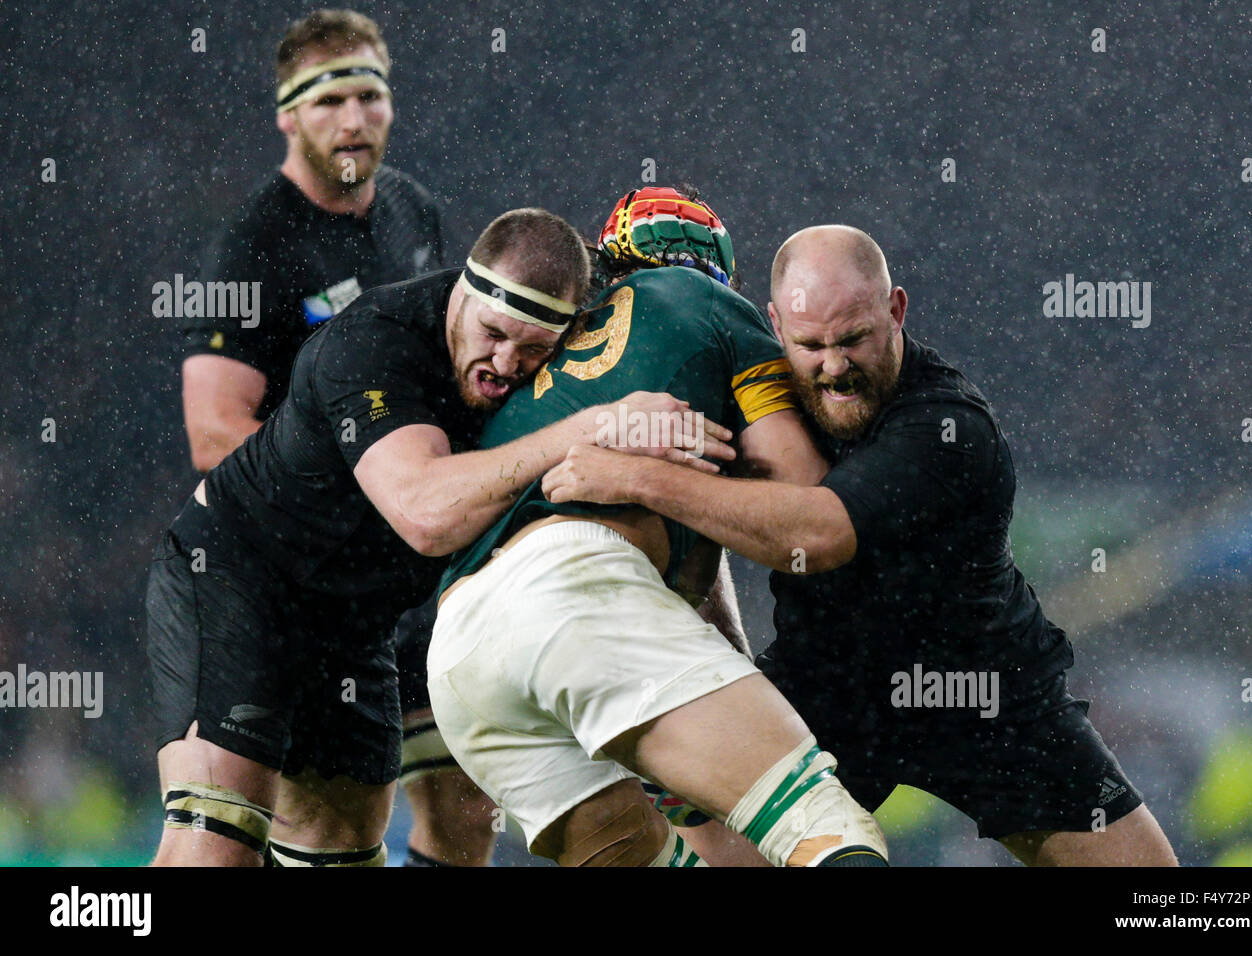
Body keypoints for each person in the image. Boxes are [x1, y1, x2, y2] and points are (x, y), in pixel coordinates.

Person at [542, 224, 1180, 866]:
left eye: (853, 340)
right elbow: (701, 519)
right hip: (826, 690)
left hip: (985, 696)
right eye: (810, 345)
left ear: (896, 310)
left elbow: (817, 533)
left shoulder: (949, 427)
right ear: (774, 325)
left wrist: (637, 478)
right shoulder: (758, 394)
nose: (834, 366)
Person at [147, 206, 726, 866]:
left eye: (533, 348)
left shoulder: (555, 361)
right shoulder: (371, 343)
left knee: (344, 853)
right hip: (238, 581)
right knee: (215, 845)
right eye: (493, 333)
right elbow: (424, 515)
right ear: (464, 291)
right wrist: (589, 428)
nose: (506, 363)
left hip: (357, 628)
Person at [428, 188, 891, 867]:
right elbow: (801, 504)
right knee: (822, 826)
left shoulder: (546, 355)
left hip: (461, 659)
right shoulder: (708, 304)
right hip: (578, 601)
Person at [174, 9, 492, 867]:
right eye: (327, 101)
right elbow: (213, 431)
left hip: (409, 576)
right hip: (307, 583)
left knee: (467, 809)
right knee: (307, 834)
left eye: (368, 95)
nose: (353, 119)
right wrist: (368, 487)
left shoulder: (413, 211)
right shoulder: (254, 243)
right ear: (287, 115)